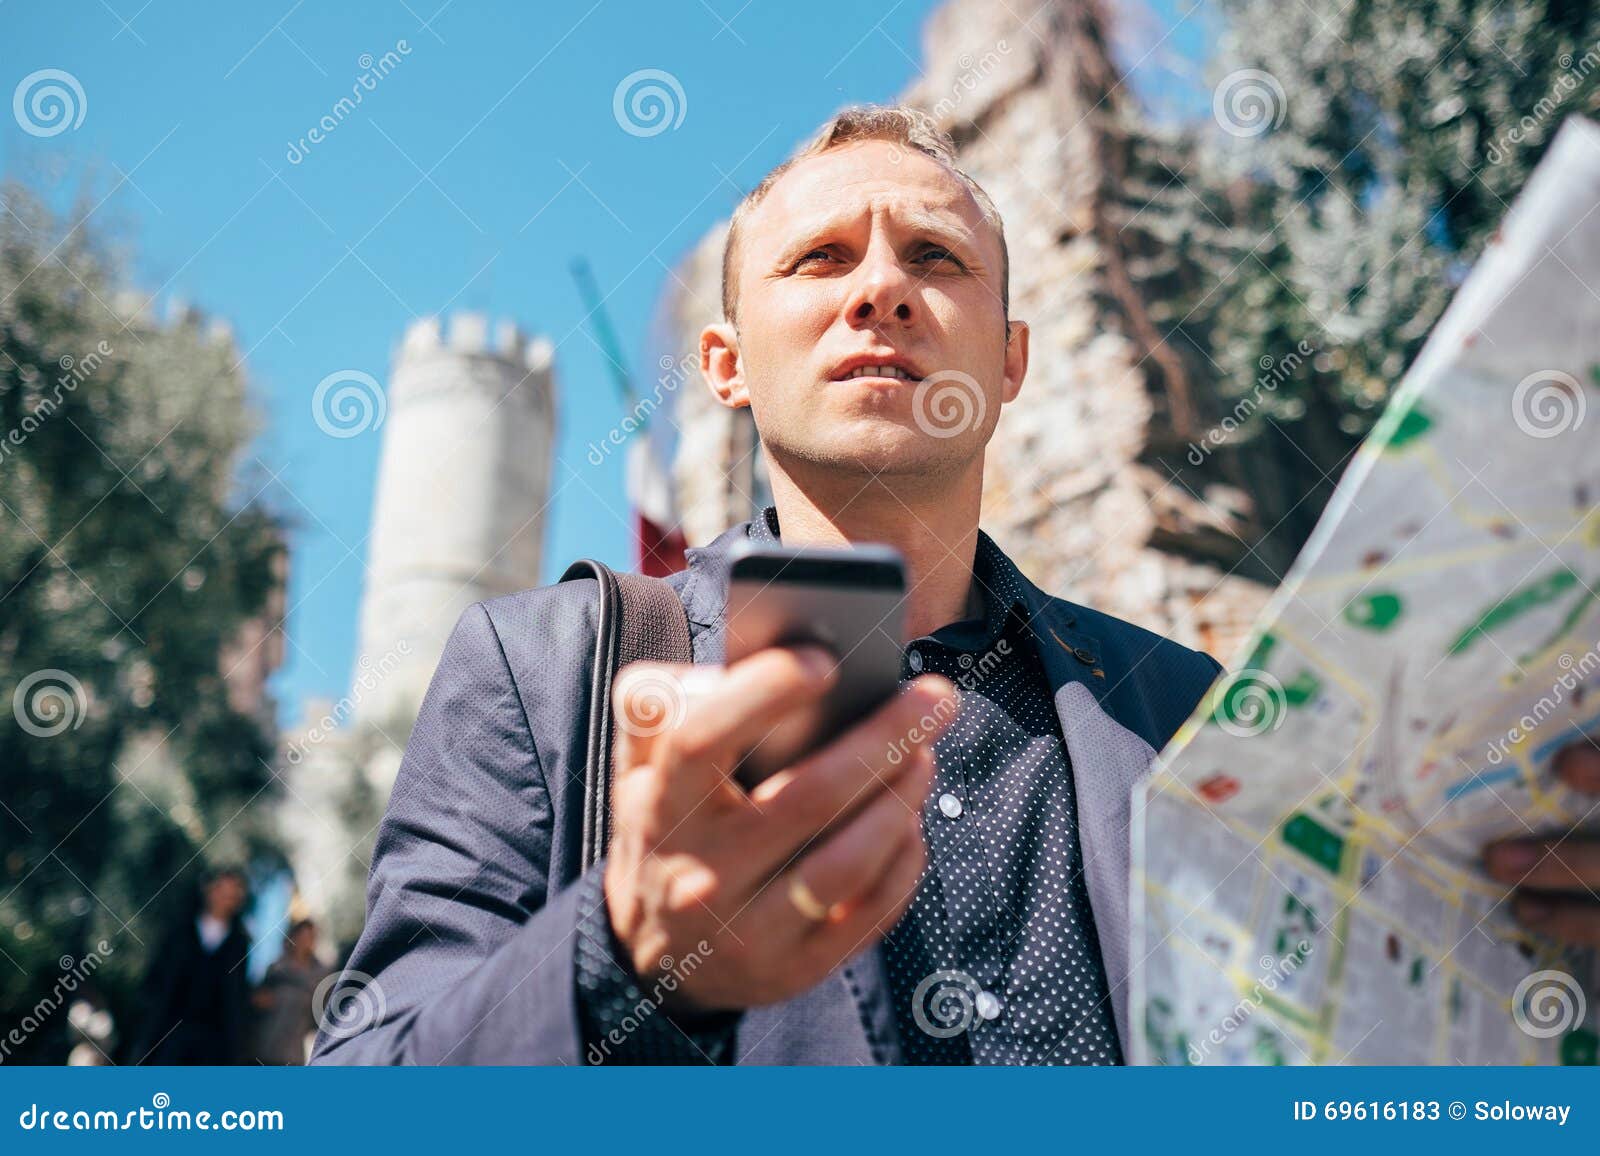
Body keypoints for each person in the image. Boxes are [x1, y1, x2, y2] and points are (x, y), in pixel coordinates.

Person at [313, 106, 1600, 1066]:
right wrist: (629, 953)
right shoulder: (544, 668)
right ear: (725, 363)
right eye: (821, 259)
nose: (881, 286)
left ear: (1010, 359)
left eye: (934, 258)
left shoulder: (1189, 708)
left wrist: (1534, 954)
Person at [134, 866, 252, 1064]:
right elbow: (157, 978)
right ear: (209, 890)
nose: (225, 898)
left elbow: (236, 996)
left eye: (232, 894)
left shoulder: (239, 943)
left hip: (212, 1041)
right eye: (221, 890)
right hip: (168, 1031)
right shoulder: (180, 929)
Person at [251, 919, 334, 1065]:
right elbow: (258, 999)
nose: (305, 942)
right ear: (293, 937)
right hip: (268, 1045)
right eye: (302, 937)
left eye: (310, 937)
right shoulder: (276, 969)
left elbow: (324, 1014)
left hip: (295, 1051)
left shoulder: (321, 975)